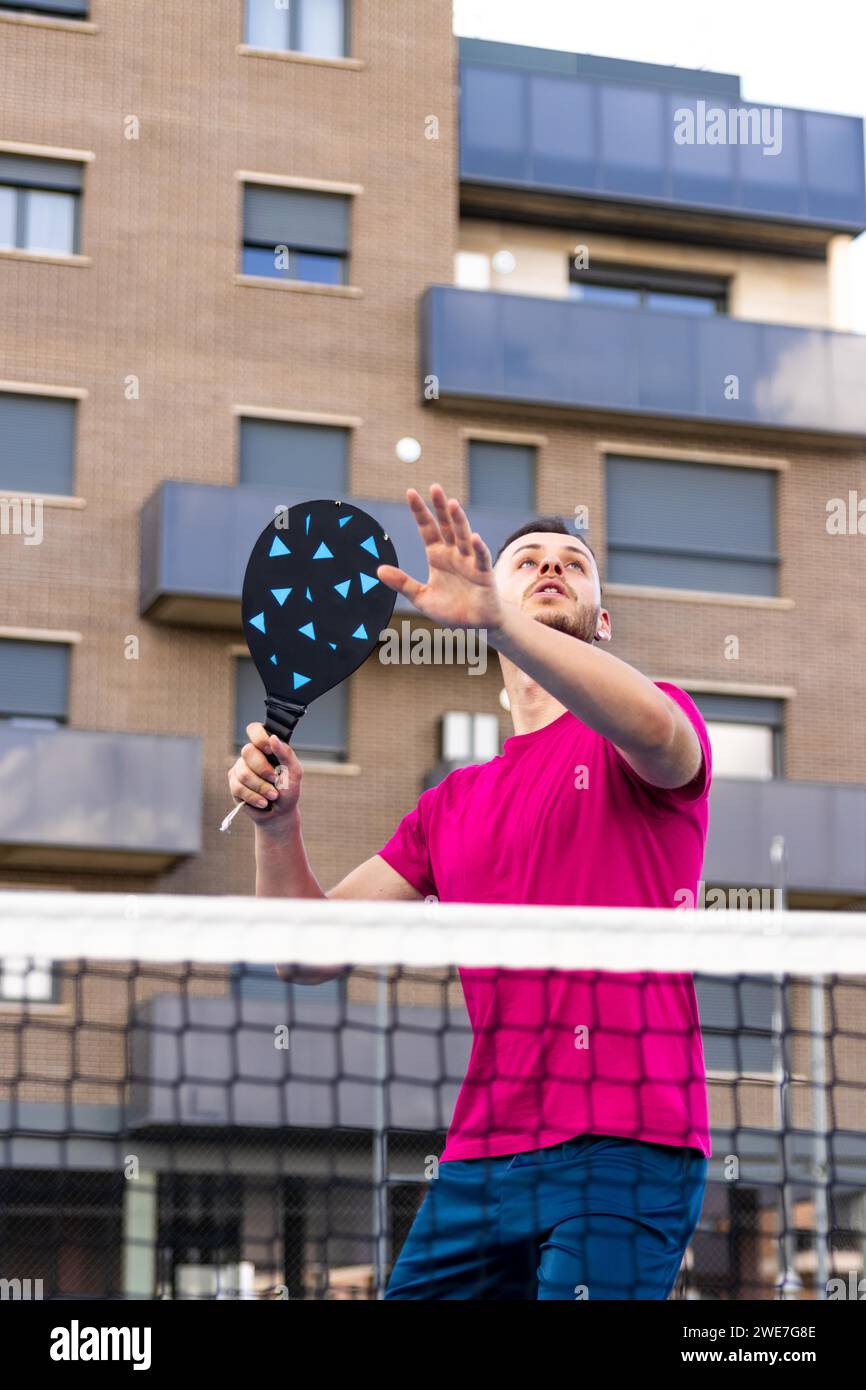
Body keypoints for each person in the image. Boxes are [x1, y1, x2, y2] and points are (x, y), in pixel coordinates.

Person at [228, 484, 712, 1300]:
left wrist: (500, 619)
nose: (551, 566)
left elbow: (658, 734)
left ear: (602, 625)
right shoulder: (451, 805)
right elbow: (305, 953)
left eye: (573, 566)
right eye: (528, 561)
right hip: (483, 1159)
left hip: (629, 1141)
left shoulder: (655, 725)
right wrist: (278, 830)